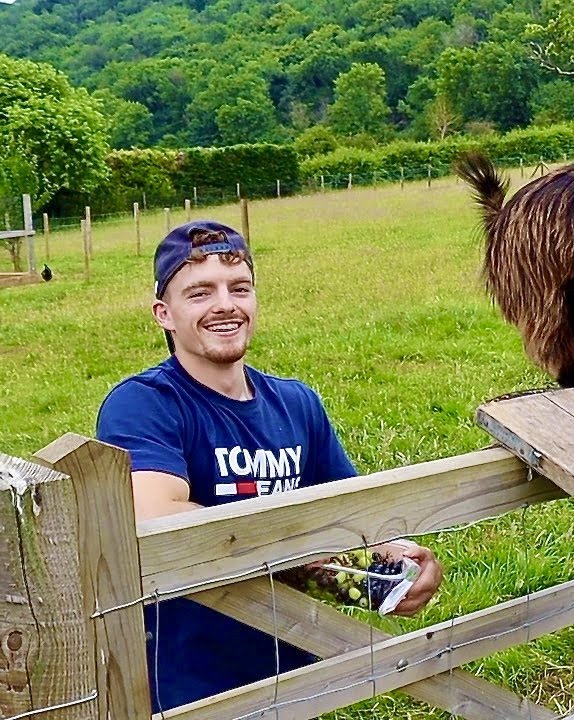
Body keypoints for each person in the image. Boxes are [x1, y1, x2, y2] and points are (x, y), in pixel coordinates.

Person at [96, 220, 444, 713]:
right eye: (199, 293)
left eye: (239, 288)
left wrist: (401, 556)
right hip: (188, 681)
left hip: (293, 667)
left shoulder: (297, 403)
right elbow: (155, 515)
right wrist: (297, 549)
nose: (225, 305)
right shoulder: (144, 404)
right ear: (164, 314)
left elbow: (350, 515)